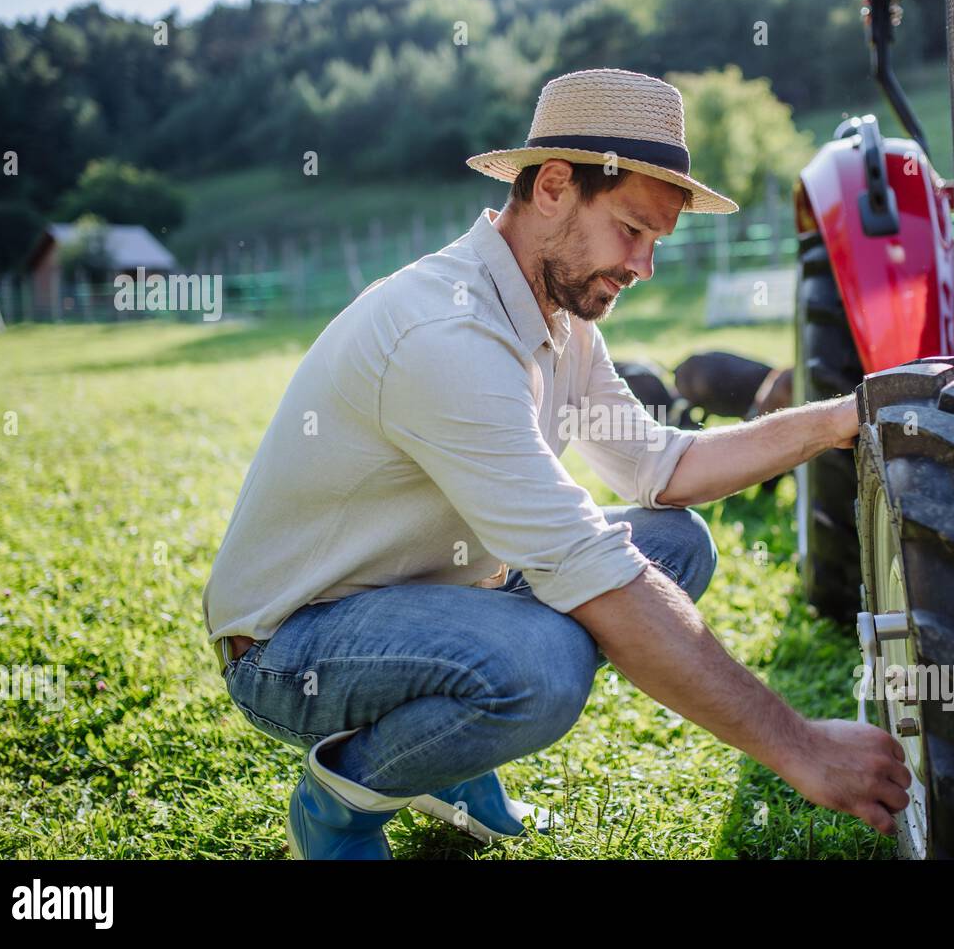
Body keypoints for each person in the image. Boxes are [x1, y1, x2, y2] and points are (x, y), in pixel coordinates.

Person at [202, 68, 909, 859]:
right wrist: (802, 747)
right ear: (554, 187)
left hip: (431, 594)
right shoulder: (445, 333)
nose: (645, 267)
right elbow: (587, 566)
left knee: (678, 545)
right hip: (290, 644)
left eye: (656, 243)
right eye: (633, 230)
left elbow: (662, 468)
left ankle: (449, 760)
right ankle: (337, 805)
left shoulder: (563, 322)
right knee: (541, 667)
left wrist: (840, 418)